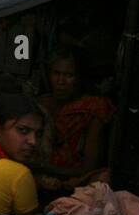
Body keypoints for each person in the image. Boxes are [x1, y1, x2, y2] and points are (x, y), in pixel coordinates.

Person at [35, 48, 116, 193]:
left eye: (68, 75)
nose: (61, 81)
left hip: (75, 181)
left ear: (79, 78)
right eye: (56, 74)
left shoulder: (93, 108)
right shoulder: (41, 104)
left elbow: (89, 166)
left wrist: (42, 167)